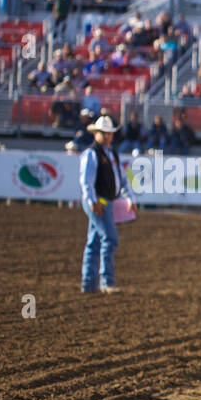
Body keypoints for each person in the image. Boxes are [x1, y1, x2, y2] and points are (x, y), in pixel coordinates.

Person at [79, 116, 130, 295]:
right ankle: (106, 282)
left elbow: (122, 179)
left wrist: (129, 198)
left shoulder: (111, 154)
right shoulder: (92, 154)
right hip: (98, 201)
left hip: (105, 201)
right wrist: (92, 201)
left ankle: (89, 283)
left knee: (94, 241)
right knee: (110, 238)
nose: (107, 136)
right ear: (97, 134)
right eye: (104, 133)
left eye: (109, 133)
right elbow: (86, 181)